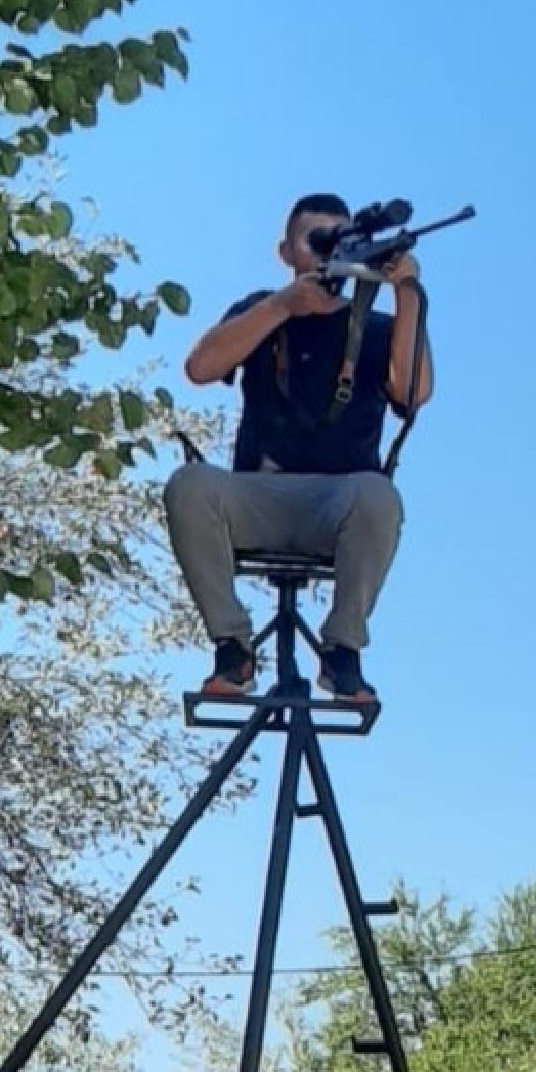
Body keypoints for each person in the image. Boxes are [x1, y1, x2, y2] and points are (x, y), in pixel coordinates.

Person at [164, 193, 433, 702]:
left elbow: (414, 392)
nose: (329, 253)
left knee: (379, 497)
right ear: (286, 252)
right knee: (190, 485)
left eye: (341, 241)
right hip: (258, 494)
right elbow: (201, 368)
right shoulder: (261, 309)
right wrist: (282, 307)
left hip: (338, 504)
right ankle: (232, 646)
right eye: (317, 241)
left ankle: (343, 650)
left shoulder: (377, 327)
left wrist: (408, 293)